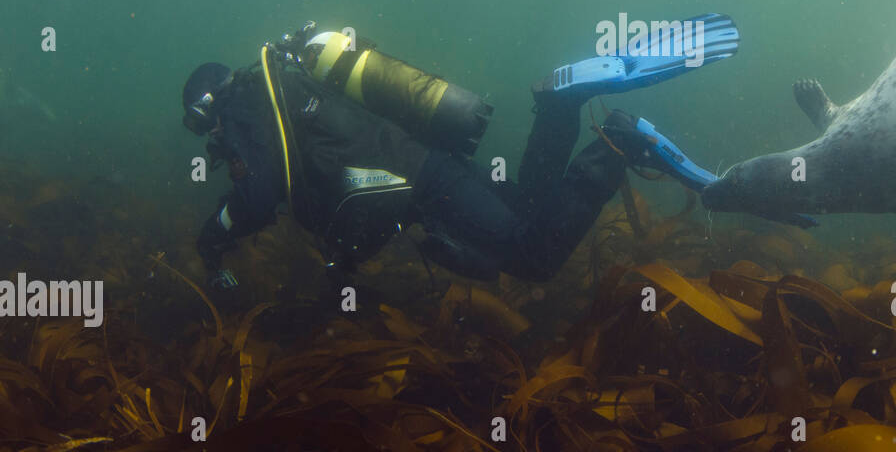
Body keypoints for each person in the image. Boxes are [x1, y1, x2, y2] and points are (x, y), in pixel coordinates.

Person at [181, 16, 739, 290]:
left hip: (424, 179)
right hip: (426, 169)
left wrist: (215, 236)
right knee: (523, 206)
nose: (215, 147)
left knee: (531, 257)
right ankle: (557, 106)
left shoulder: (245, 107)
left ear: (208, 105)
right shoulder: (280, 88)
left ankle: (618, 138)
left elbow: (258, 197)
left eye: (202, 128)